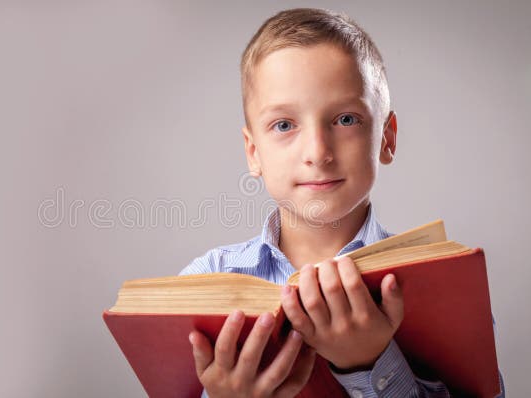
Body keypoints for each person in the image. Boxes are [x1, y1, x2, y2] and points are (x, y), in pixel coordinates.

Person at [180, 8, 505, 398]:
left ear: (387, 138)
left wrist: (371, 361)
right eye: (284, 125)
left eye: (346, 120)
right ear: (254, 153)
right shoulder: (204, 283)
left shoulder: (446, 281)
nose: (318, 152)